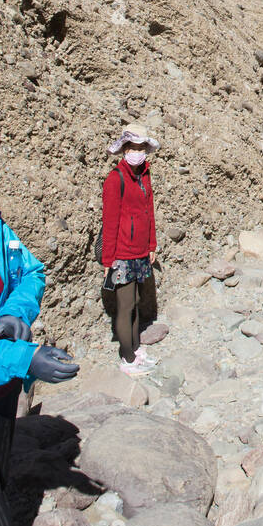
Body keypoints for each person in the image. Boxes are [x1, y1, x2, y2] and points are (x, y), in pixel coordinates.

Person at [0, 161, 78, 526]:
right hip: (0, 374)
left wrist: (14, 314)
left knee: (1, 486)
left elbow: (31, 270)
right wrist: (21, 356)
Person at [101, 124, 160, 377]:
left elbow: (149, 213)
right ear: (124, 149)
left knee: (135, 302)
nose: (137, 152)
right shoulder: (115, 180)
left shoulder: (144, 176)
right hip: (123, 253)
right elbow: (110, 221)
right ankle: (127, 359)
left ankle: (135, 350)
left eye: (140, 148)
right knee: (125, 305)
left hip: (140, 252)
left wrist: (152, 245)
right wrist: (108, 258)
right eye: (132, 148)